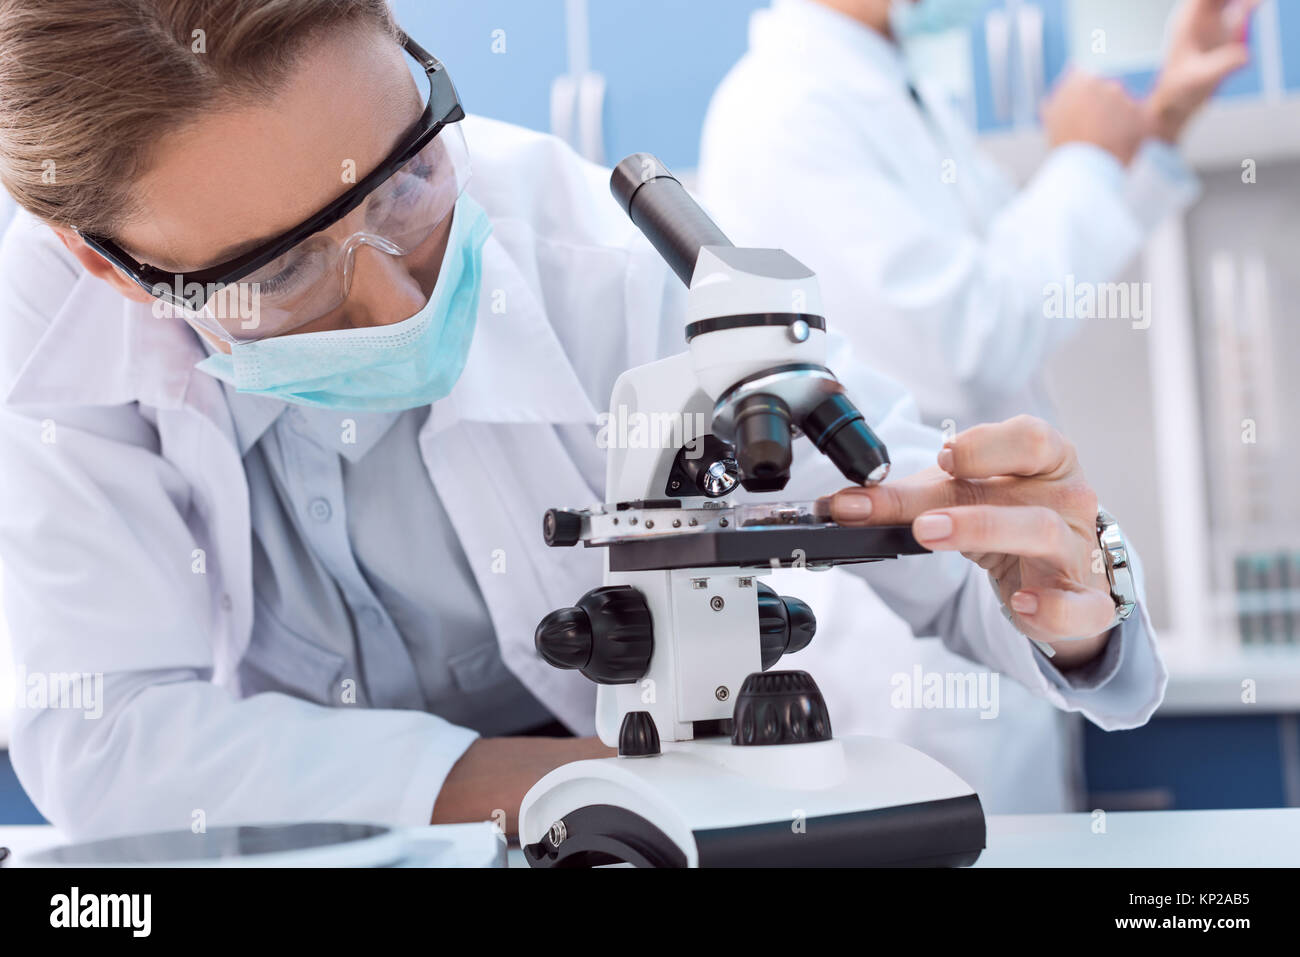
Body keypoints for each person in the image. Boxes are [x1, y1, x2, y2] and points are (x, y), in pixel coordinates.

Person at [0, 0, 1162, 843]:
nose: (401, 296)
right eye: (284, 272)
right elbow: (108, 736)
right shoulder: (47, 340)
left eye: (406, 177)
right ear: (114, 271)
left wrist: (1059, 600)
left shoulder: (585, 243)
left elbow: (920, 519)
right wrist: (556, 787)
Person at [698, 0, 1254, 812]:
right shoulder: (783, 106)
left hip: (989, 595)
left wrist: (1155, 124)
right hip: (900, 637)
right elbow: (971, 334)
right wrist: (1088, 163)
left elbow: (1027, 275)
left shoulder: (901, 92)